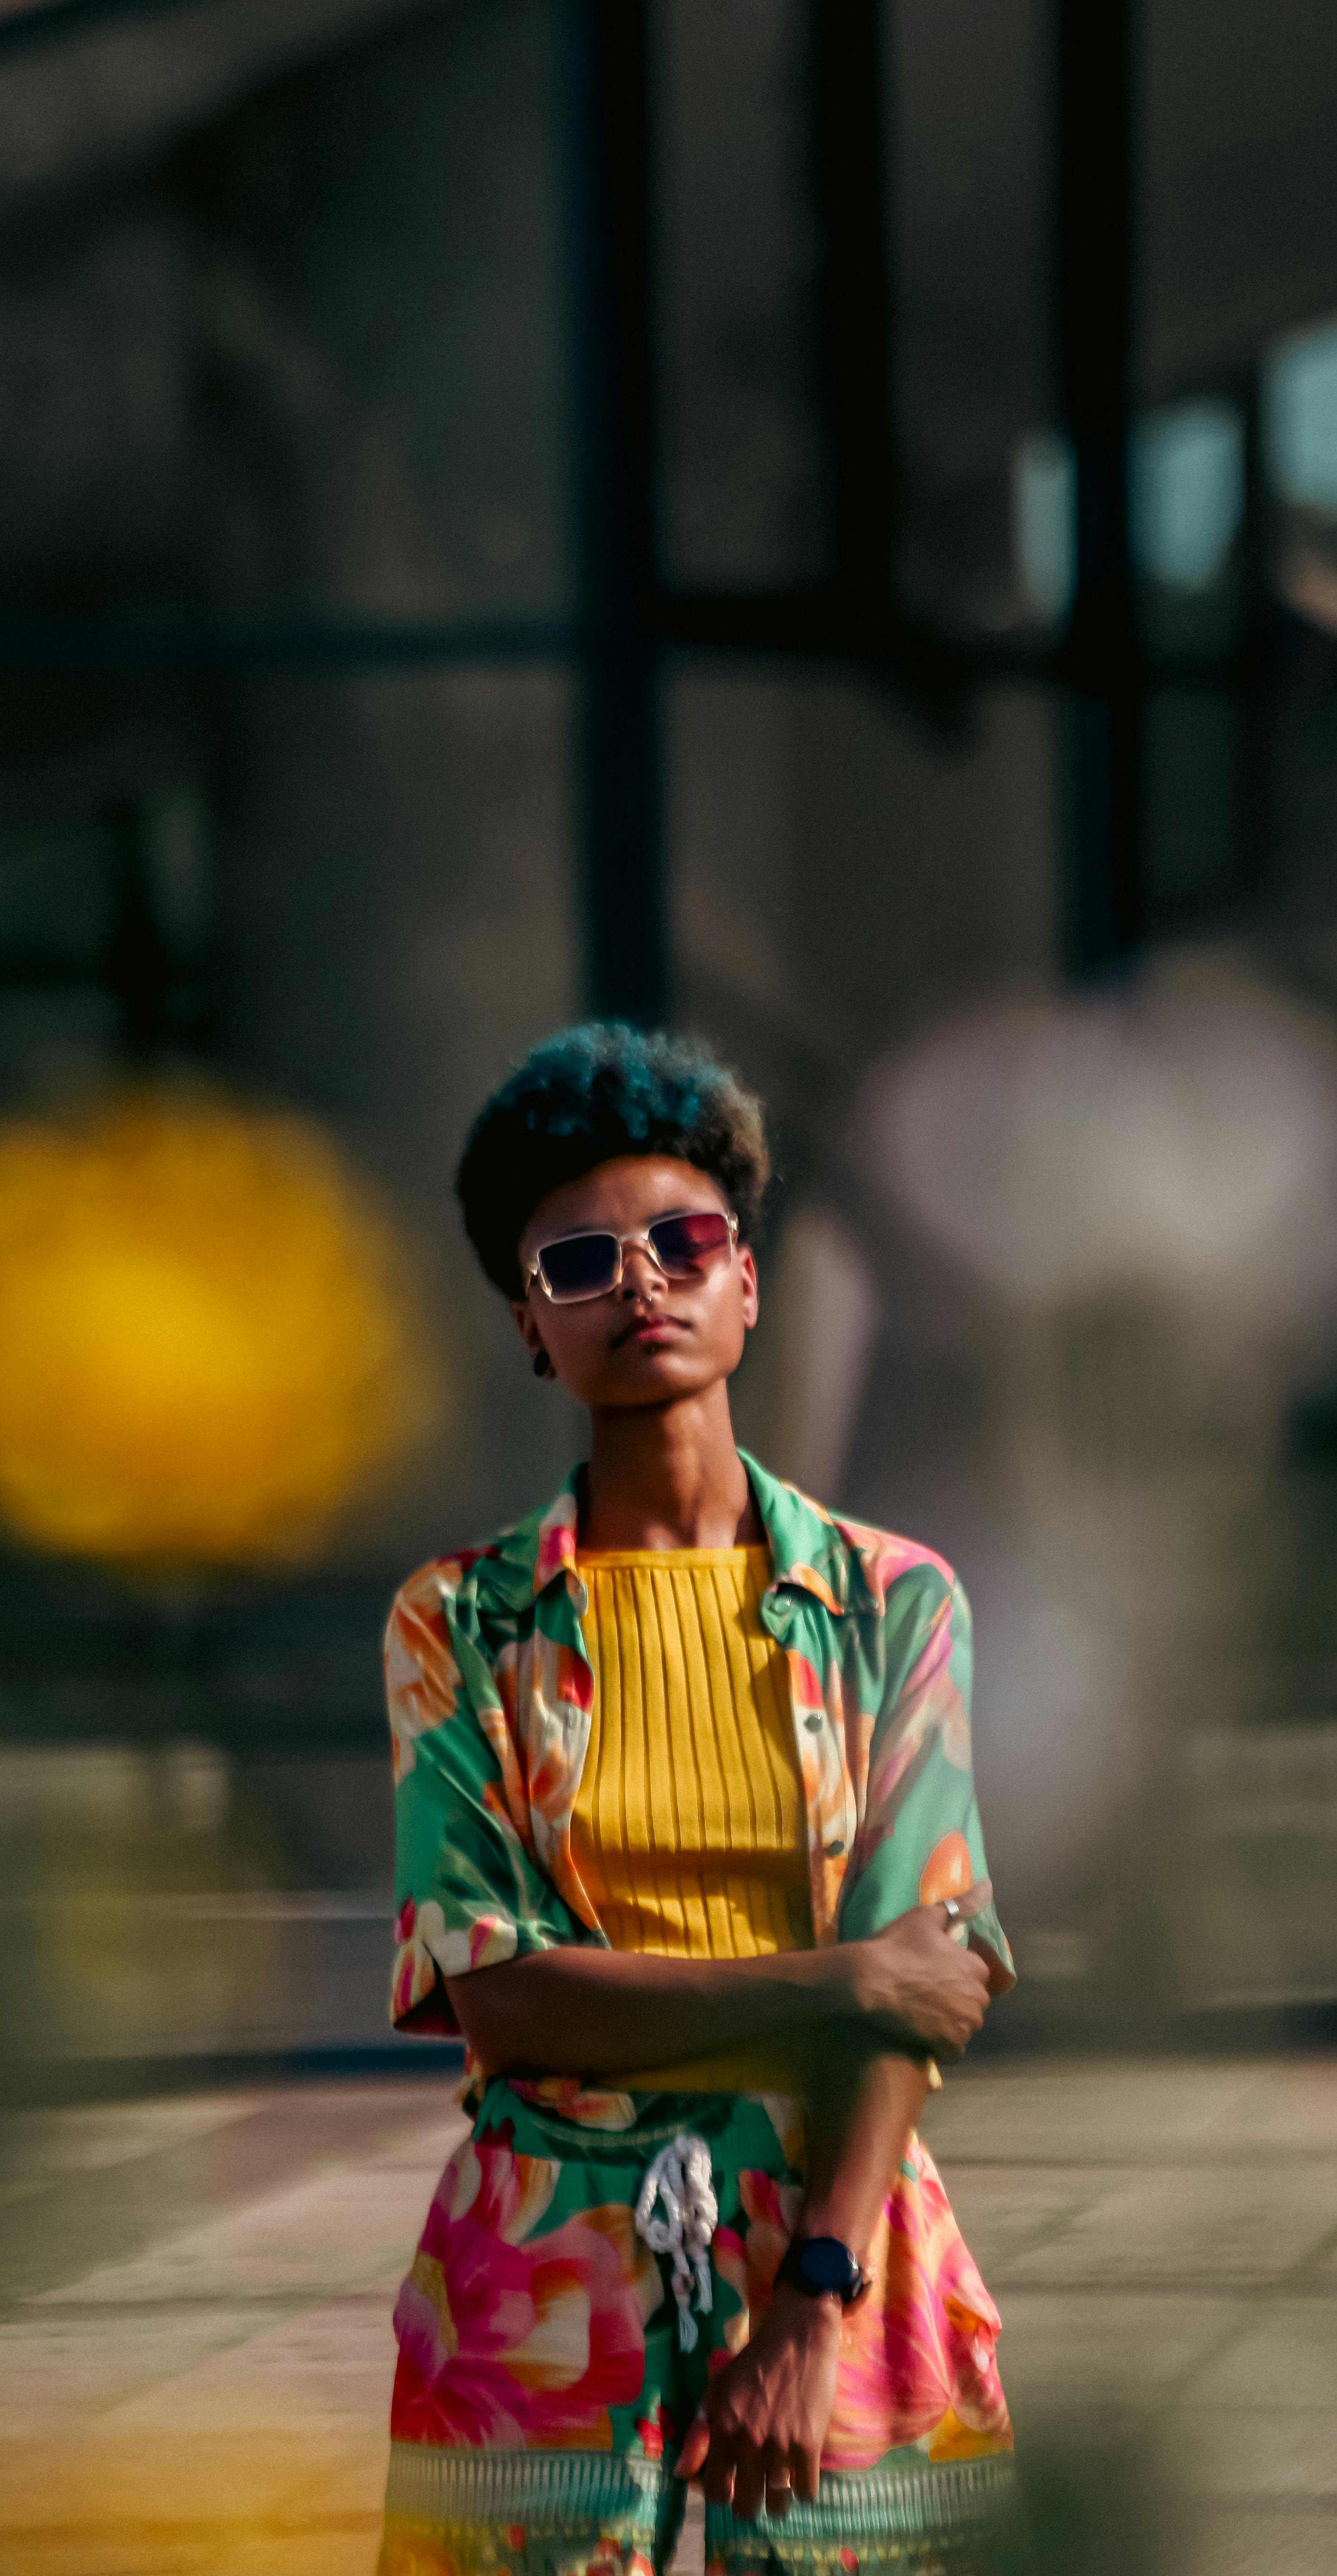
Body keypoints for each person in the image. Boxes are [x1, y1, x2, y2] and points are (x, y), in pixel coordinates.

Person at [380, 1024, 1017, 2576]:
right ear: (532, 1325)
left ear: (748, 1280)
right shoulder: (458, 1624)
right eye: (581, 1261)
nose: (641, 1283)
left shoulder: (891, 1605)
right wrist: (839, 1977)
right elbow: (504, 1998)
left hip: (845, 2241)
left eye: (684, 1241)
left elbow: (922, 1995)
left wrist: (813, 2299)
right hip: (539, 2284)